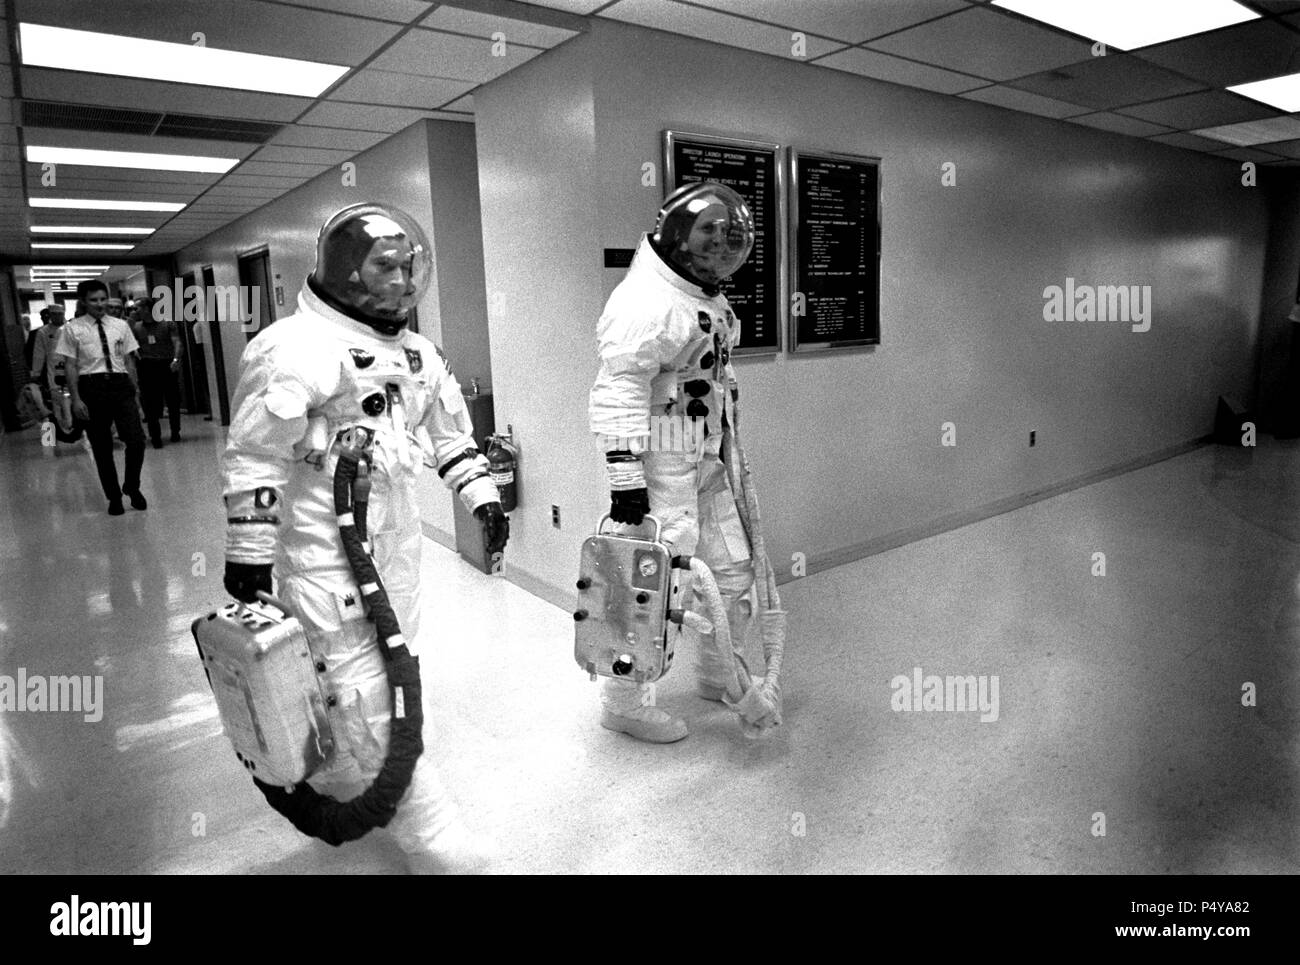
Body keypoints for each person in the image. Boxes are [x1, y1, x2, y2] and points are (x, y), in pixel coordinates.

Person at [220, 202, 510, 873]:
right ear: (347, 270)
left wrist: (483, 497)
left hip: (394, 554)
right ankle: (435, 838)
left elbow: (450, 439)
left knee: (395, 669)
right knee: (372, 693)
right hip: (326, 557)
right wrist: (249, 552)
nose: (404, 280)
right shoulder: (294, 348)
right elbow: (255, 457)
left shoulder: (416, 353)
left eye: (411, 267)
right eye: (387, 266)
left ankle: (341, 762)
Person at [588, 181, 758, 743]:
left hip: (707, 449)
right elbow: (618, 390)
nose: (720, 244)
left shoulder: (704, 297)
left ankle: (716, 671)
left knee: (731, 569)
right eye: (708, 233)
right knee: (656, 579)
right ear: (680, 235)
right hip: (665, 452)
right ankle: (623, 701)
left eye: (729, 235)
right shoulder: (645, 301)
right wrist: (624, 477)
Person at [56, 280, 147, 515]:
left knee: (136, 440)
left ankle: (132, 486)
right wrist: (75, 399)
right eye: (94, 300)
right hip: (91, 387)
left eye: (103, 299)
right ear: (84, 302)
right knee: (102, 447)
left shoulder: (120, 326)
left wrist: (134, 392)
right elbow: (71, 365)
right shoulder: (72, 329)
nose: (100, 304)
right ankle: (114, 496)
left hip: (120, 384)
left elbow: (129, 361)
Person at [29, 304, 86, 447]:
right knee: (56, 403)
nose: (57, 317)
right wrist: (35, 372)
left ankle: (73, 427)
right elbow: (39, 353)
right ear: (50, 315)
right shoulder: (43, 332)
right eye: (54, 314)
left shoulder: (71, 328)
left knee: (73, 400)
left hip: (72, 370)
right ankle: (54, 435)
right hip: (53, 373)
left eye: (60, 314)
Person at [131, 296, 184, 447]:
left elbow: (177, 342)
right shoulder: (136, 327)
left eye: (137, 308)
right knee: (149, 403)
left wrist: (175, 359)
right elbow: (130, 346)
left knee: (173, 400)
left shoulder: (167, 324)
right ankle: (155, 436)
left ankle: (175, 431)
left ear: (147, 308)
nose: (135, 311)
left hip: (166, 364)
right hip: (147, 366)